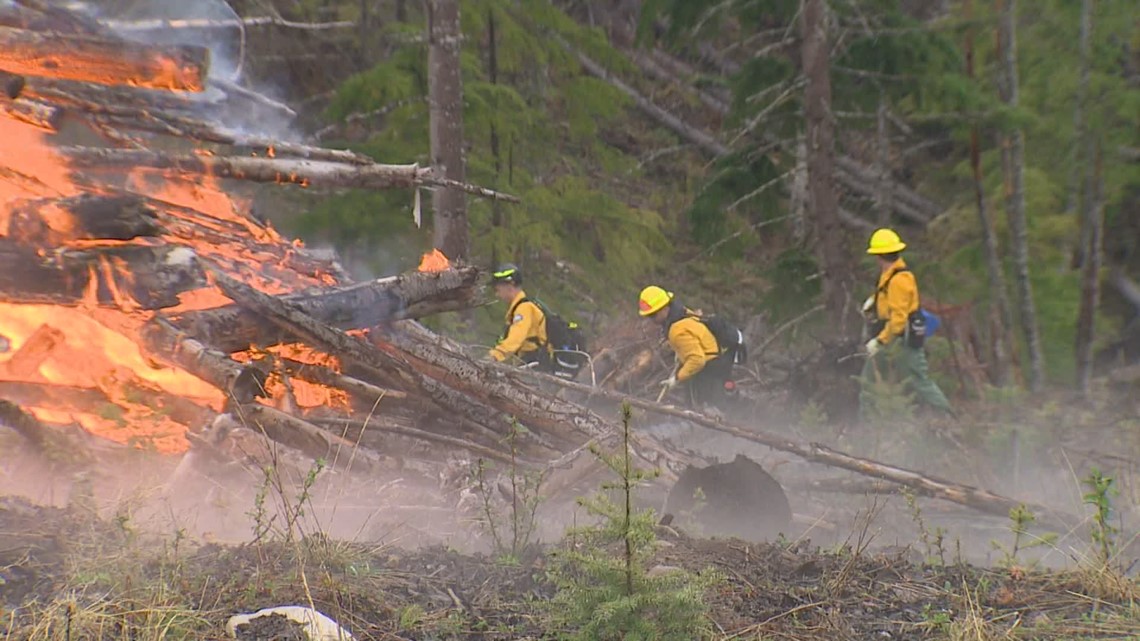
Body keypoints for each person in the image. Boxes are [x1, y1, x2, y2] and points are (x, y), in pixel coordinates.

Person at [860, 228, 954, 420]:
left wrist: (880, 341)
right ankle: (866, 425)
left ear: (879, 256)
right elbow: (891, 301)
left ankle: (949, 418)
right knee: (869, 382)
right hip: (893, 338)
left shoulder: (899, 280)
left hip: (901, 339)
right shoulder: (891, 275)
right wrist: (874, 301)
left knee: (919, 381)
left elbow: (899, 320)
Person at [638, 285, 736, 410]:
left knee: (703, 415)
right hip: (719, 365)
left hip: (707, 374)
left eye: (653, 315)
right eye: (648, 316)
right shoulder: (684, 313)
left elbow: (697, 360)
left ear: (665, 308)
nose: (651, 320)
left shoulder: (677, 330)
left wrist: (677, 378)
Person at [488, 263, 551, 368]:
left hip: (536, 362)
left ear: (510, 285)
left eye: (498, 290)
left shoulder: (524, 309)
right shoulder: (519, 307)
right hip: (530, 360)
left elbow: (515, 338)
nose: (497, 294)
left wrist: (494, 356)